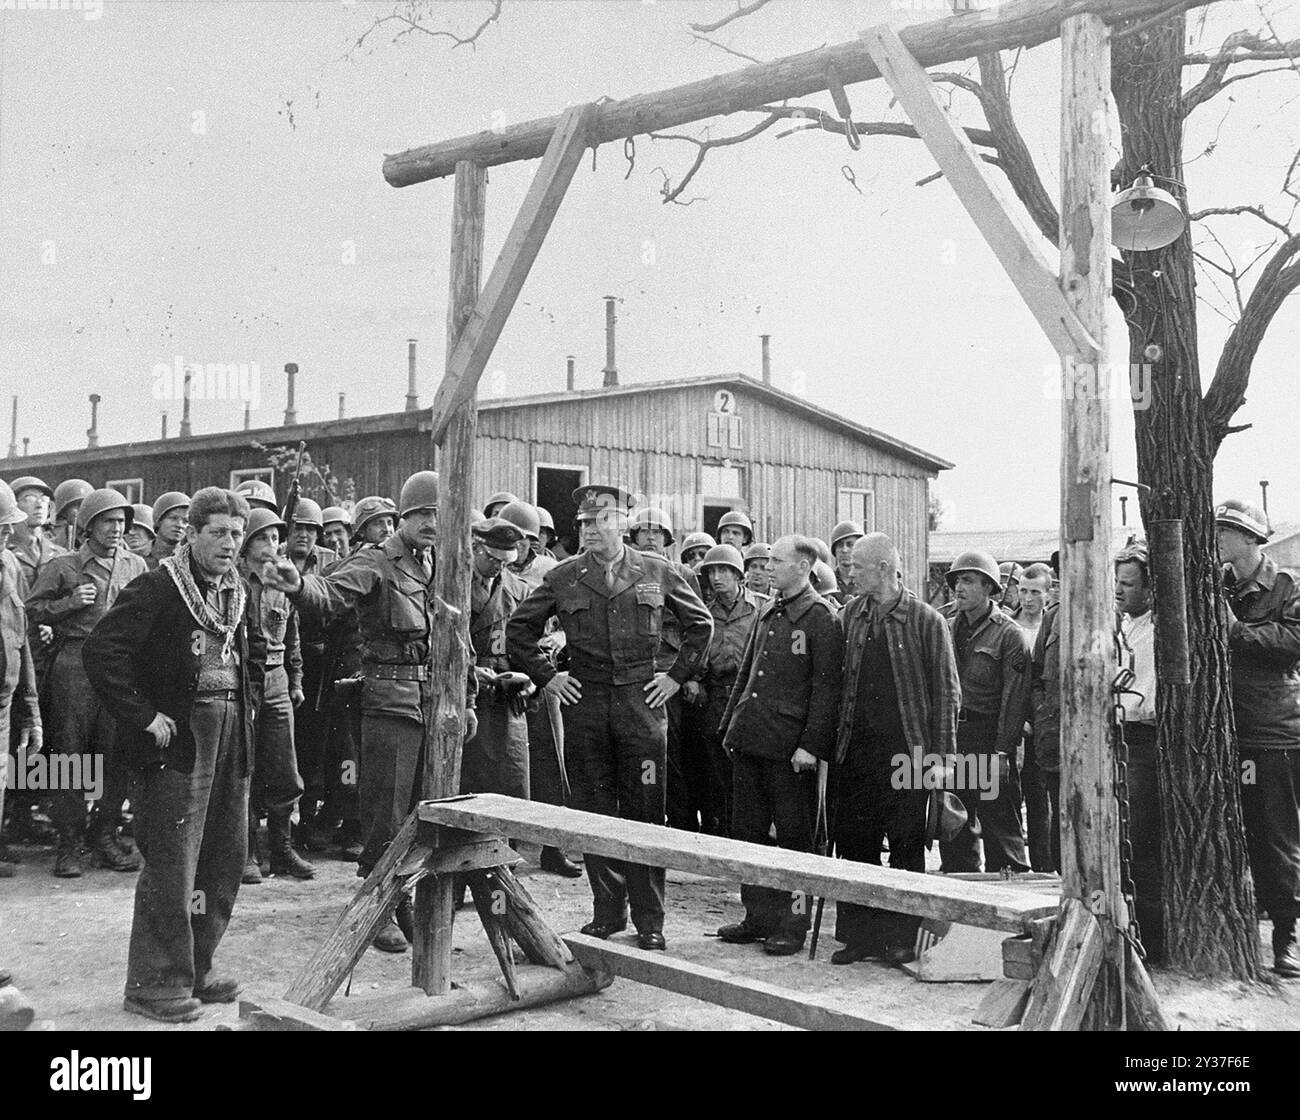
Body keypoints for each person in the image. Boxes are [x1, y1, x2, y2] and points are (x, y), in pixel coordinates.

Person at [261, 471, 477, 955]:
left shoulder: (441, 564)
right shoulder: (376, 561)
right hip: (389, 704)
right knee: (386, 818)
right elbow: (328, 597)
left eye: (438, 515)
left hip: (435, 705)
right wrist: (298, 586)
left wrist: (469, 699)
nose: (430, 523)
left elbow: (461, 638)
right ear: (403, 518)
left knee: (428, 813)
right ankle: (378, 908)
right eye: (422, 514)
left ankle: (408, 906)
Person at [83, 486, 265, 1023]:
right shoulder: (158, 588)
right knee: (173, 862)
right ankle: (154, 985)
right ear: (192, 534)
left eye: (236, 534)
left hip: (231, 727)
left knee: (223, 854)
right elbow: (102, 650)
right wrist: (143, 716)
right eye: (218, 533)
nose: (230, 544)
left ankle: (197, 967)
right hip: (180, 740)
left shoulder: (236, 591)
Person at [507, 485, 711, 951]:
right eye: (583, 523)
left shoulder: (657, 571)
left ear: (623, 524)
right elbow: (519, 630)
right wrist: (548, 678)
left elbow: (701, 625)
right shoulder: (564, 577)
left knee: (644, 813)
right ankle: (607, 912)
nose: (590, 530)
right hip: (587, 705)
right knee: (594, 810)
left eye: (600, 521)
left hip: (643, 706)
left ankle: (650, 919)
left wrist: (676, 677)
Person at [831, 533, 959, 966]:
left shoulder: (926, 621)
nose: (849, 574)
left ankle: (901, 937)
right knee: (855, 845)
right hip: (857, 753)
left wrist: (942, 762)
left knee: (906, 846)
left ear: (884, 568)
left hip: (909, 755)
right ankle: (859, 937)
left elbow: (946, 695)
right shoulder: (850, 616)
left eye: (857, 568)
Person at [716, 535, 842, 956]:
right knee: (747, 833)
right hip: (752, 739)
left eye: (778, 561)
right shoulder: (769, 609)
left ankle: (793, 923)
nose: (768, 567)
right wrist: (730, 726)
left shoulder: (821, 617)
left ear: (805, 567)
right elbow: (748, 674)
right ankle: (758, 916)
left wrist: (810, 745)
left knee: (795, 840)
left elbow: (827, 689)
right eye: (767, 561)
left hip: (791, 751)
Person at [26, 489, 148, 877]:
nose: (117, 529)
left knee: (117, 754)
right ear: (89, 525)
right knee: (69, 756)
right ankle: (69, 842)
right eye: (108, 521)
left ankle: (105, 835)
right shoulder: (64, 566)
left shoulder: (136, 566)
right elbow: (31, 610)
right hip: (74, 665)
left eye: (122, 522)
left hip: (119, 668)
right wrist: (70, 604)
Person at [1216, 498, 1300, 978]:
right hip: (1231, 733)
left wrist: (1236, 632)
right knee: (1237, 833)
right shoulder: (1220, 583)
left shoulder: (1287, 587)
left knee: (1276, 836)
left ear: (1251, 538)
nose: (1219, 538)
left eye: (1227, 530)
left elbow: (1292, 644)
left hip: (1273, 734)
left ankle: (1285, 939)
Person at [939, 549, 1030, 873]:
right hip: (954, 740)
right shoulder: (945, 629)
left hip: (988, 739)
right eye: (955, 582)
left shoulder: (1009, 634)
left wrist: (1003, 752)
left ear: (989, 587)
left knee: (1001, 835)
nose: (958, 588)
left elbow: (1015, 699)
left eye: (967, 580)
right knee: (954, 831)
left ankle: (1012, 914)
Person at [239, 507, 312, 885]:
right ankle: (246, 853)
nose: (272, 545)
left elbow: (293, 635)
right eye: (263, 537)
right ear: (247, 543)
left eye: (275, 537)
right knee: (245, 769)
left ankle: (281, 850)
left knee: (285, 769)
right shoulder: (234, 582)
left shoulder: (283, 580)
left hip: (278, 678)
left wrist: (296, 680)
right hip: (243, 681)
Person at [629, 507, 709, 832]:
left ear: (667, 539)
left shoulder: (681, 574)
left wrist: (688, 676)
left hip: (669, 675)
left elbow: (700, 627)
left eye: (657, 532)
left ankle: (680, 825)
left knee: (671, 754)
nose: (650, 538)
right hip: (635, 675)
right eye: (644, 532)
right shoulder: (624, 573)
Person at [1114, 540, 1163, 960]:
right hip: (1119, 738)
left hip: (1146, 739)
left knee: (1140, 841)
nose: (1119, 590)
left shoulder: (1159, 629)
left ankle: (1153, 940)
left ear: (1150, 588)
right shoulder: (1121, 627)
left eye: (1128, 584)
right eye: (1117, 582)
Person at [692, 544, 762, 836]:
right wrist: (694, 678)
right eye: (711, 572)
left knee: (747, 770)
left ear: (738, 575)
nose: (717, 578)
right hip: (716, 695)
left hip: (749, 697)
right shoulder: (705, 614)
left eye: (724, 571)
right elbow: (697, 651)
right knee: (715, 771)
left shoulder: (760, 609)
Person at [464, 518, 532, 799]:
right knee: (469, 779)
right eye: (493, 559)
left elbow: (530, 644)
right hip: (467, 693)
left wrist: (531, 679)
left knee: (511, 775)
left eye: (506, 561)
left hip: (507, 698)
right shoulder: (452, 584)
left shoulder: (520, 590)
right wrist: (471, 671)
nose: (499, 567)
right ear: (475, 548)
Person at [285, 498, 338, 850]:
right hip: (284, 663)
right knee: (281, 747)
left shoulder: (331, 563)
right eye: (297, 527)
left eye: (310, 529)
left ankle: (308, 819)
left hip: (321, 664)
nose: (303, 535)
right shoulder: (272, 559)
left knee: (316, 747)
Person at [0, 481, 43, 877]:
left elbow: (21, 639)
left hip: (4, 701)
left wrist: (30, 709)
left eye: (6, 526)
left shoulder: (11, 565)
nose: (5, 533)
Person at [1013, 562, 1055, 873]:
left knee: (1040, 803)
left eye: (1035, 592)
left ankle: (1044, 867)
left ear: (1048, 593)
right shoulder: (1007, 626)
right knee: (1007, 799)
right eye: (1023, 591)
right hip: (1012, 726)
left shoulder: (1051, 628)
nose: (1028, 599)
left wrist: (1035, 720)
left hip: (1040, 727)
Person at [148, 492, 191, 570]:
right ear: (159, 521)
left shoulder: (191, 562)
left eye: (185, 521)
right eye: (173, 518)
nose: (180, 525)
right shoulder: (133, 559)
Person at [51, 479, 92, 553]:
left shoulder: (104, 543)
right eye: (77, 505)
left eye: (86, 505)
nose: (83, 510)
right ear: (63, 511)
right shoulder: (51, 547)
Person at [830, 520, 864, 600]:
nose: (844, 550)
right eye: (840, 545)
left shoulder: (867, 581)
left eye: (850, 545)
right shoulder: (827, 580)